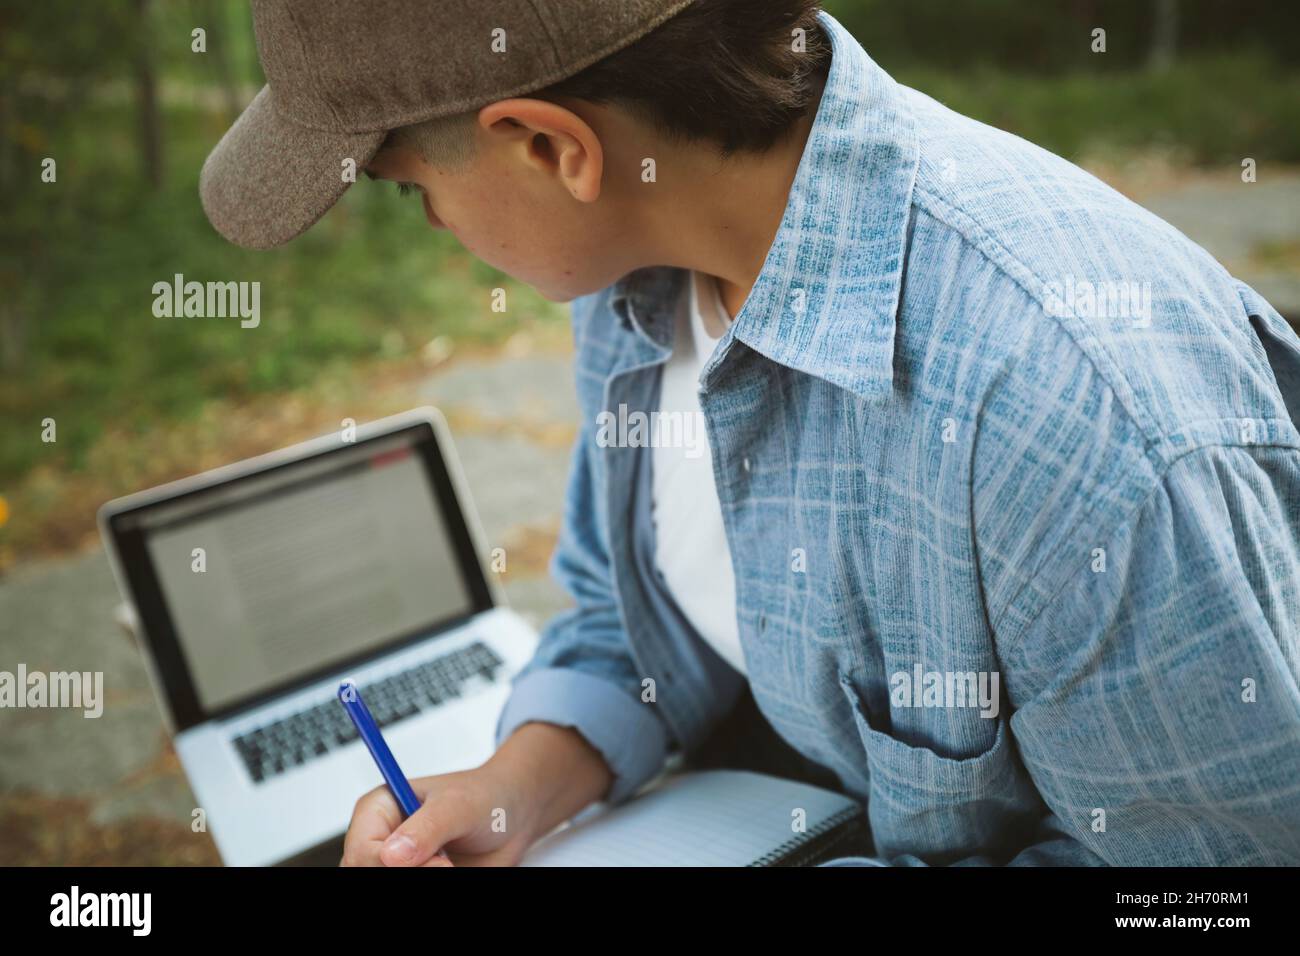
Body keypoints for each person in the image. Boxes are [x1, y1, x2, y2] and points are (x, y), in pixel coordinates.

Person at [200, 0, 1300, 866]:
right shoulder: (628, 274)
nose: (435, 225)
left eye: (407, 191)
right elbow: (624, 619)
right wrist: (513, 786)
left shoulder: (1070, 415)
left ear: (550, 148)